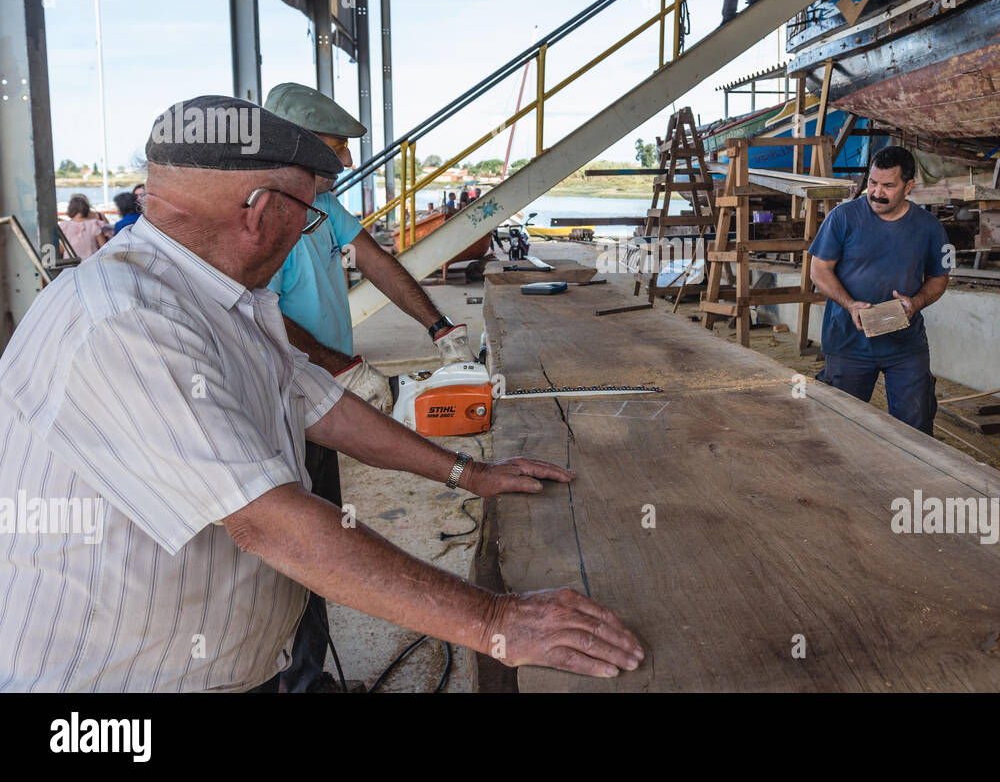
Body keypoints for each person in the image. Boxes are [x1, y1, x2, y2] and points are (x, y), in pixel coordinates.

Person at [0, 94, 643, 692]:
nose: (311, 232)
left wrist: (467, 474)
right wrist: (495, 621)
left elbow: (321, 405)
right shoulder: (124, 319)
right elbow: (266, 522)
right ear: (259, 210)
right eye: (307, 214)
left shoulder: (221, 299)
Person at [262, 82, 473, 690]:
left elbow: (374, 261)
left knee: (321, 528)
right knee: (296, 544)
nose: (350, 161)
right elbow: (261, 309)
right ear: (298, 145)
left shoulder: (325, 209)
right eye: (336, 147)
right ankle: (298, 683)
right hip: (282, 401)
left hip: (319, 398)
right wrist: (340, 366)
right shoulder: (265, 216)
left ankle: (310, 679)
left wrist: (439, 325)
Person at [808, 146, 952, 435]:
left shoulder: (931, 228)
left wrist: (917, 302)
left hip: (905, 344)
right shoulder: (842, 217)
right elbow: (818, 270)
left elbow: (940, 278)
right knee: (839, 425)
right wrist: (850, 305)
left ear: (908, 186)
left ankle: (912, 481)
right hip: (848, 340)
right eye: (873, 183)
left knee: (916, 425)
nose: (876, 192)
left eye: (888, 186)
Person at [58, 193, 113, 258]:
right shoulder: (94, 224)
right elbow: (103, 247)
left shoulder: (64, 225)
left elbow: (61, 250)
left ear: (70, 209)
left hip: (70, 264)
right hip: (91, 263)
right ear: (87, 208)